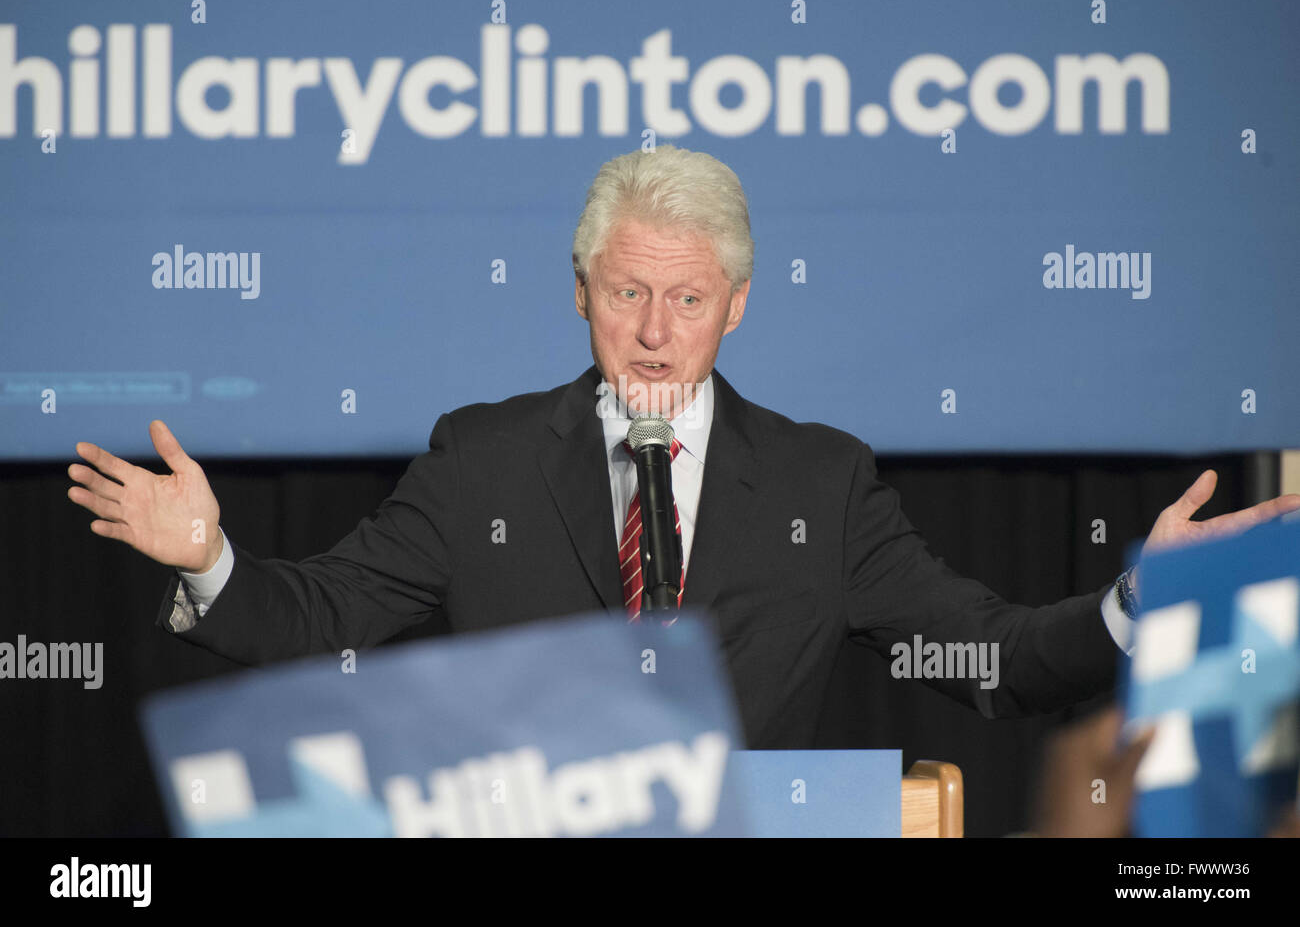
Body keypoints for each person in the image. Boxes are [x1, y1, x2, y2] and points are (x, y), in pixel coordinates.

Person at [66, 144, 1300, 748]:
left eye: (689, 301)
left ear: (741, 304)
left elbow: (994, 655)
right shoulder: (482, 459)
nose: (653, 338)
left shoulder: (823, 481)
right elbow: (328, 611)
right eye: (624, 297)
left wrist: (1141, 601)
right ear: (578, 292)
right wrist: (214, 561)